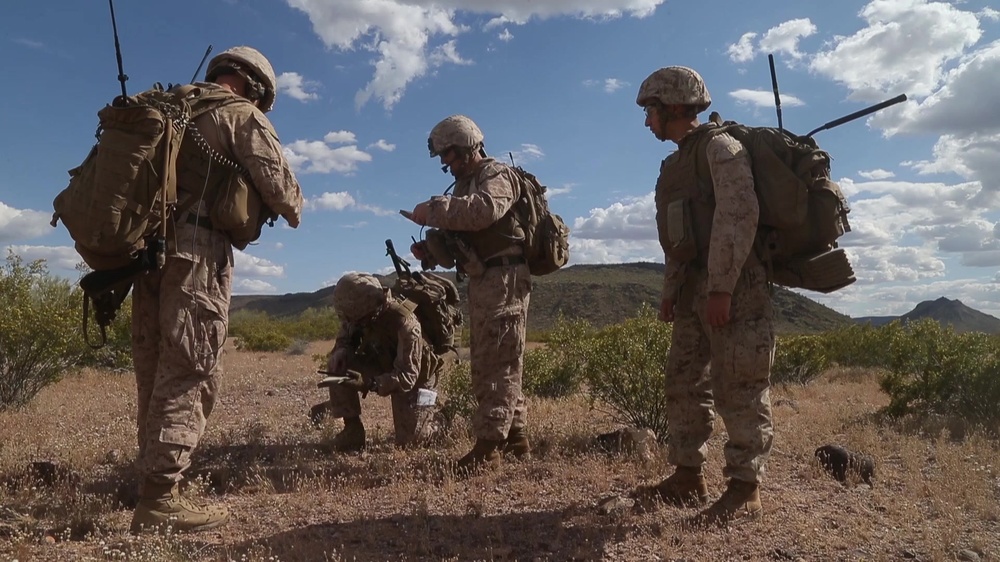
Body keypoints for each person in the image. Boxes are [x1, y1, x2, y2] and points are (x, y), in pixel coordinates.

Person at [129, 46, 303, 533]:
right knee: (191, 366)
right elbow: (287, 198)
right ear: (254, 85)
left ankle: (151, 480)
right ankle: (160, 498)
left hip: (146, 256)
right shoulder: (239, 115)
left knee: (157, 367)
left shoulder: (168, 107)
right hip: (197, 251)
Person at [631, 66, 775, 526]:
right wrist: (673, 290)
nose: (647, 122)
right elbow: (677, 233)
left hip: (733, 287)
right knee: (683, 380)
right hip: (694, 288)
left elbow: (738, 215)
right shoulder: (674, 165)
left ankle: (744, 487)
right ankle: (687, 474)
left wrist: (721, 288)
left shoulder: (721, 148)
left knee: (740, 384)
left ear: (673, 106)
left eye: (651, 111)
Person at [405, 115, 531, 472]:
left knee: (498, 361)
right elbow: (464, 235)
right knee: (493, 357)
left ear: (466, 147)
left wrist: (434, 210)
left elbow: (485, 211)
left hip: (505, 277)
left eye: (450, 156)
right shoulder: (464, 186)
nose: (447, 165)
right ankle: (516, 436)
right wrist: (432, 251)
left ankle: (489, 445)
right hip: (484, 279)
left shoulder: (497, 175)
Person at [312, 272, 457, 450]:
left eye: (357, 320)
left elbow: (407, 376)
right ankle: (352, 430)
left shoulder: (405, 323)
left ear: (371, 310)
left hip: (417, 377)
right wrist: (342, 352)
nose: (353, 323)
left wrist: (370, 383)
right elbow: (345, 336)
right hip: (383, 362)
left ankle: (442, 416)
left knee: (411, 440)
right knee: (337, 368)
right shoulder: (358, 312)